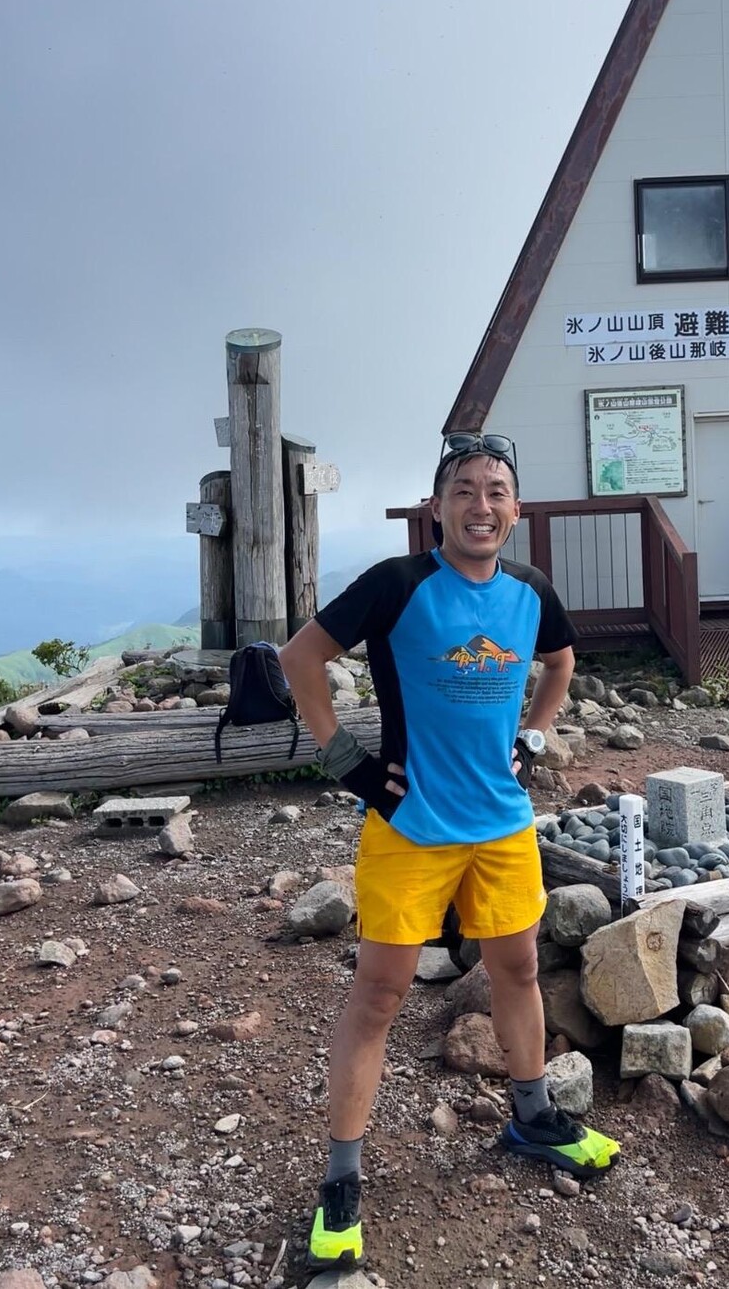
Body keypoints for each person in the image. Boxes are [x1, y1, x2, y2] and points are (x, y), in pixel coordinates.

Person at [279, 432, 620, 1270]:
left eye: (496, 490)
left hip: (501, 825)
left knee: (515, 969)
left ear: (516, 508)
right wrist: (347, 764)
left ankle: (533, 1116)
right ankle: (341, 1179)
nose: (480, 505)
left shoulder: (530, 591)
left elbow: (561, 659)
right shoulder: (398, 587)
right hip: (409, 828)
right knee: (379, 996)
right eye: (463, 490)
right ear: (437, 507)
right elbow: (301, 657)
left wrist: (535, 738)